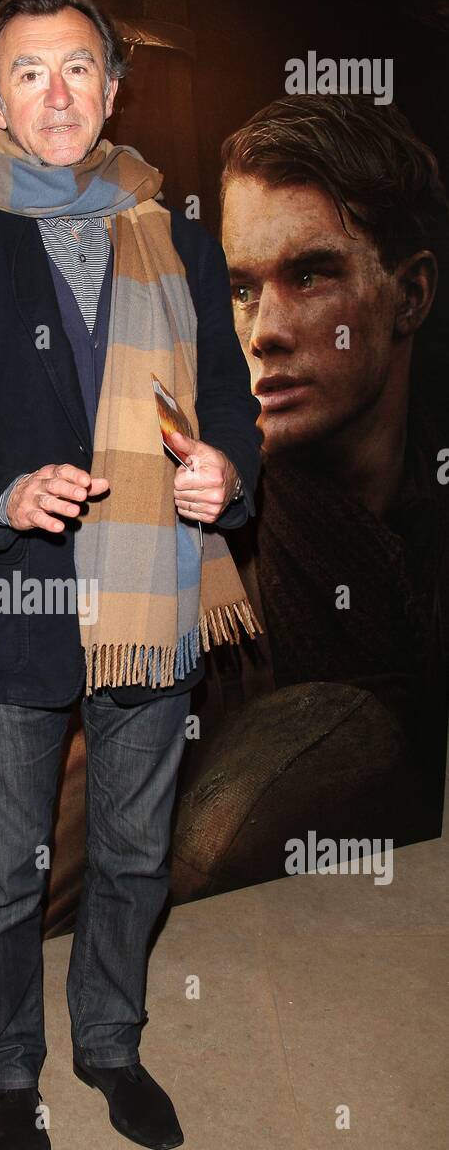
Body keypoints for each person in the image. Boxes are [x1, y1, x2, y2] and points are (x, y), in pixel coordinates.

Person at [0, 0, 262, 1150]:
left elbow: (234, 408)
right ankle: (6, 1074)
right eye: (29, 73)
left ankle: (107, 1043)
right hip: (17, 605)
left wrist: (221, 477)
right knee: (0, 875)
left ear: (110, 88)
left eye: (79, 70)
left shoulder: (178, 239)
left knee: (135, 855)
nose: (57, 94)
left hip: (154, 608)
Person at [218, 95, 449, 814]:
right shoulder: (184, 576)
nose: (264, 332)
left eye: (310, 275)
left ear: (408, 295)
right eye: (242, 289)